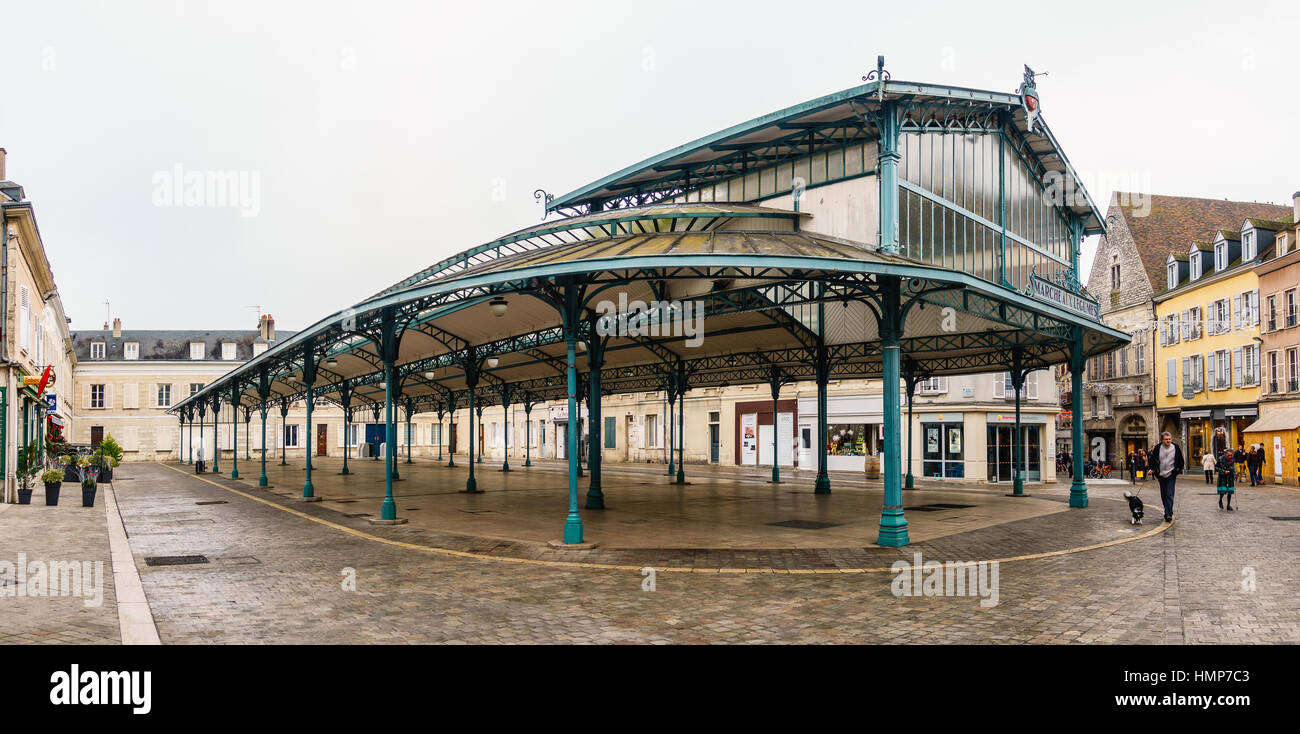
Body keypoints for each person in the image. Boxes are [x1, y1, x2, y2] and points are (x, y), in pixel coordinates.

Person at [1150, 432, 1184, 523]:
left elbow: (1181, 461)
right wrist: (1152, 469)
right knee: (1164, 494)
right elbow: (1152, 460)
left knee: (1169, 494)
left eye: (1169, 439)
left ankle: (1168, 513)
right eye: (1166, 439)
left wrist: (1176, 471)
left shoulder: (1175, 448)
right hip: (1161, 475)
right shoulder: (1157, 448)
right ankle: (1167, 511)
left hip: (1171, 474)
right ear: (1162, 440)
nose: (1168, 440)